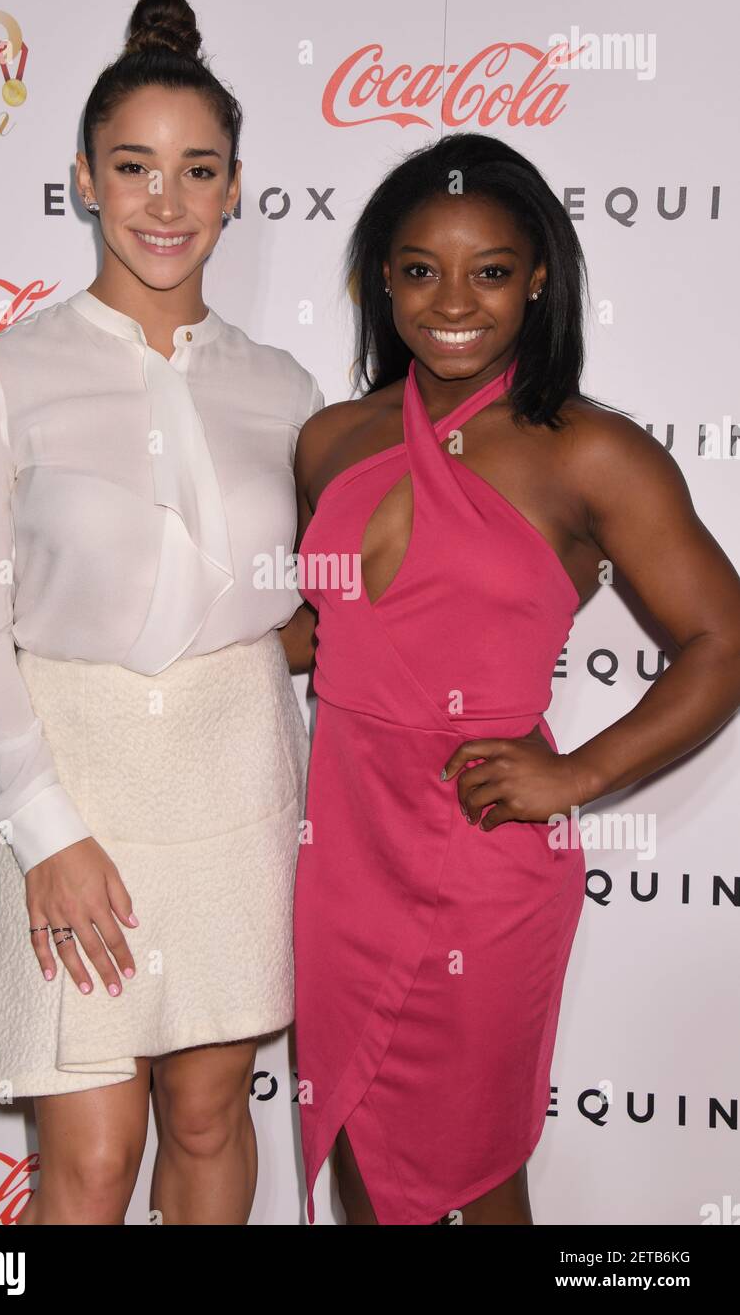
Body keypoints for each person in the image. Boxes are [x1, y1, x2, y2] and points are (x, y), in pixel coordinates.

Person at [0, 0, 323, 1226]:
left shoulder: (285, 385)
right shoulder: (1, 374)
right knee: (90, 1158)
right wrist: (45, 827)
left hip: (233, 775)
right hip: (72, 781)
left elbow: (307, 603)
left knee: (209, 1118)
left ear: (236, 186)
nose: (165, 200)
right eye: (134, 168)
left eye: (195, 171)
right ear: (83, 179)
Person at [286, 131, 740, 1225]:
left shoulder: (588, 451)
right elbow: (319, 630)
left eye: (489, 270)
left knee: (475, 1163)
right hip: (341, 847)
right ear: (378, 280)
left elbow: (720, 642)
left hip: (484, 850)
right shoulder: (330, 439)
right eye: (417, 269)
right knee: (352, 1133)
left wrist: (575, 772)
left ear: (536, 279)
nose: (453, 299)